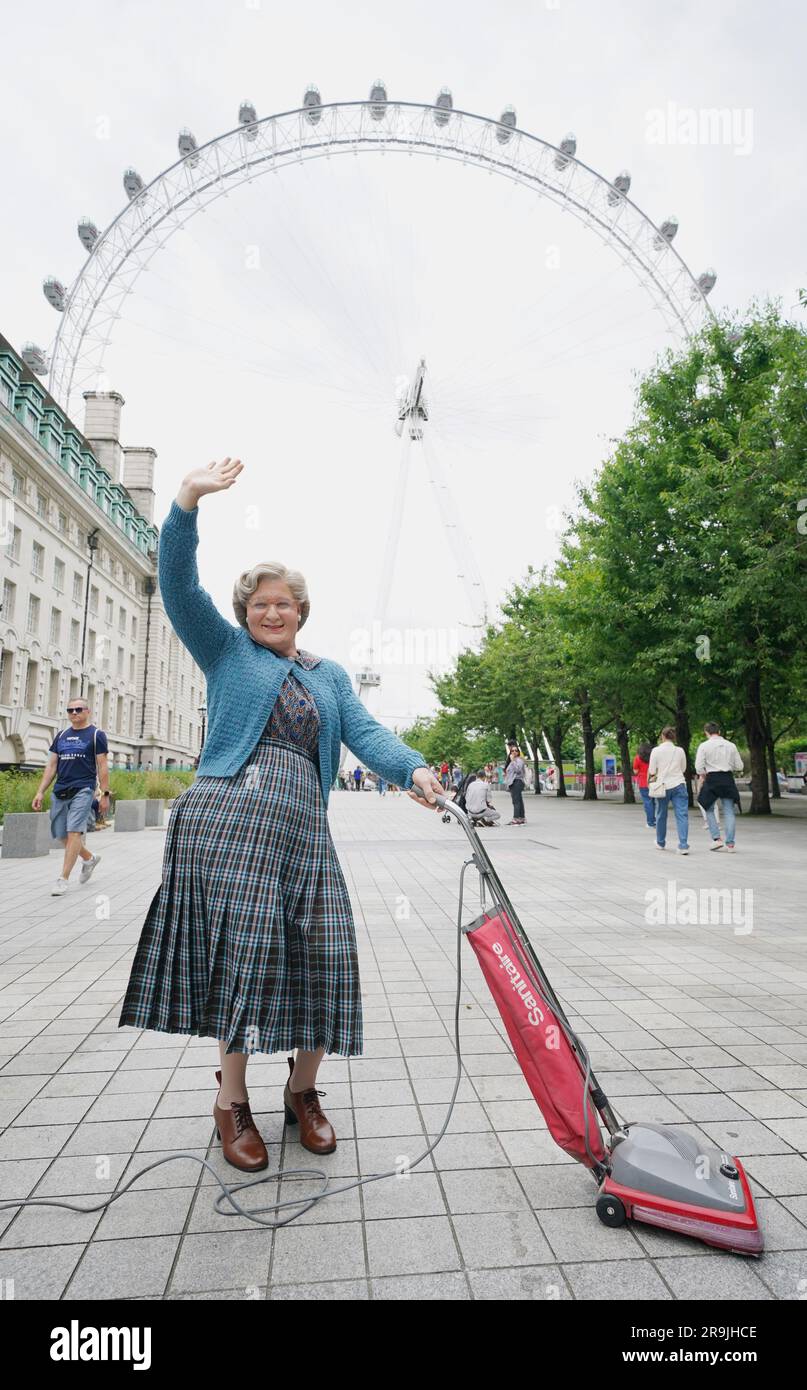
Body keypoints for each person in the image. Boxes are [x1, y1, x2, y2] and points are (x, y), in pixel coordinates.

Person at [118, 457, 444, 1173]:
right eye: (259, 603)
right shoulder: (225, 650)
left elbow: (366, 733)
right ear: (245, 614)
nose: (271, 611)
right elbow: (176, 585)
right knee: (247, 960)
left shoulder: (327, 675)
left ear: (302, 610)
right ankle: (231, 1103)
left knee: (324, 957)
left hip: (302, 832)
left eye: (283, 603)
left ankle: (303, 1093)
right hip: (227, 826)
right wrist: (186, 504)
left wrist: (414, 768)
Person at [31, 698, 109, 894]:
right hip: (60, 790)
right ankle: (89, 858)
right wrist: (40, 791)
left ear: (87, 711)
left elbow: (102, 766)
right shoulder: (61, 735)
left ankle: (62, 878)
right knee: (60, 834)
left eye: (78, 709)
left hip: (84, 789)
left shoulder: (96, 735)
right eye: (70, 710)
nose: (74, 713)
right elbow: (51, 766)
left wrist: (105, 794)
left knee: (74, 831)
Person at [694, 722, 744, 853]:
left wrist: (704, 773)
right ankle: (730, 844)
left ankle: (716, 839)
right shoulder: (731, 745)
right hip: (727, 778)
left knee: (708, 807)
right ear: (719, 732)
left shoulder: (704, 746)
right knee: (729, 811)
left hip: (712, 778)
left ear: (706, 732)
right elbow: (740, 766)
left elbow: (698, 767)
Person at [647, 726, 689, 854]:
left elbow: (652, 770)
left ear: (662, 736)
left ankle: (661, 842)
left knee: (661, 814)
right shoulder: (680, 750)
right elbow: (683, 768)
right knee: (682, 815)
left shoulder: (656, 750)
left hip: (663, 786)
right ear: (674, 737)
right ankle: (683, 845)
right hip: (679, 784)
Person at [633, 741, 656, 829]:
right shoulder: (653, 757)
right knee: (654, 802)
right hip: (653, 780)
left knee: (647, 802)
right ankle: (655, 820)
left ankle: (650, 822)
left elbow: (635, 771)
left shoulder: (638, 758)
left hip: (643, 782)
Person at [504, 745, 527, 825]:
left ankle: (516, 818)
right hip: (514, 782)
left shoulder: (519, 760)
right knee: (519, 800)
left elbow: (518, 770)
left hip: (517, 781)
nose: (514, 752)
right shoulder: (513, 761)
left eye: (516, 750)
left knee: (516, 801)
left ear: (518, 752)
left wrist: (513, 761)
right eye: (512, 751)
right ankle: (521, 818)